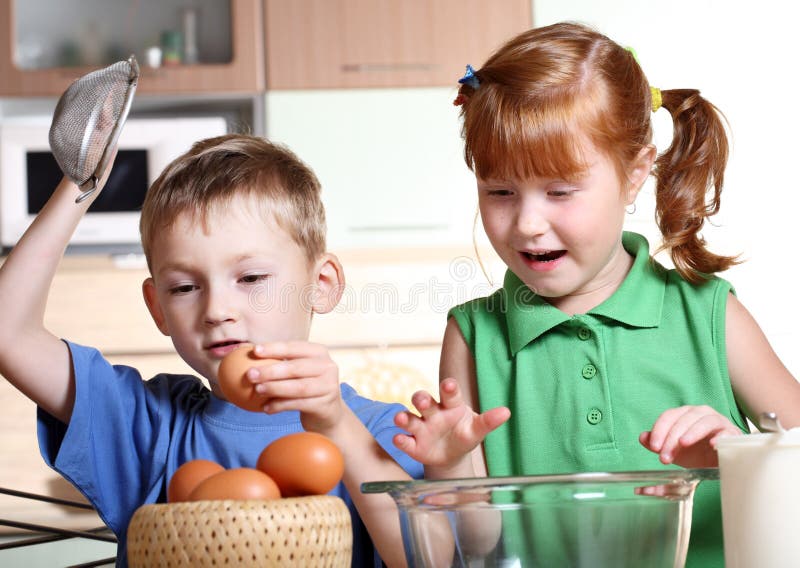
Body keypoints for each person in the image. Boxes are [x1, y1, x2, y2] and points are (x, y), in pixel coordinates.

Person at [392, 21, 800, 567]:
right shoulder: (472, 335)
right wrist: (448, 466)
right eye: (500, 191)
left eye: (559, 191)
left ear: (635, 175)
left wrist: (740, 455)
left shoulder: (709, 314)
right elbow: (481, 541)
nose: (528, 224)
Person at [0, 133, 422, 567]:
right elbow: (8, 333)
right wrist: (78, 185)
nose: (217, 310)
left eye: (251, 278)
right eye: (184, 288)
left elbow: (430, 559)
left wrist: (333, 422)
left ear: (321, 285)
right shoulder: (147, 426)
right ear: (157, 308)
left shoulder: (384, 435)